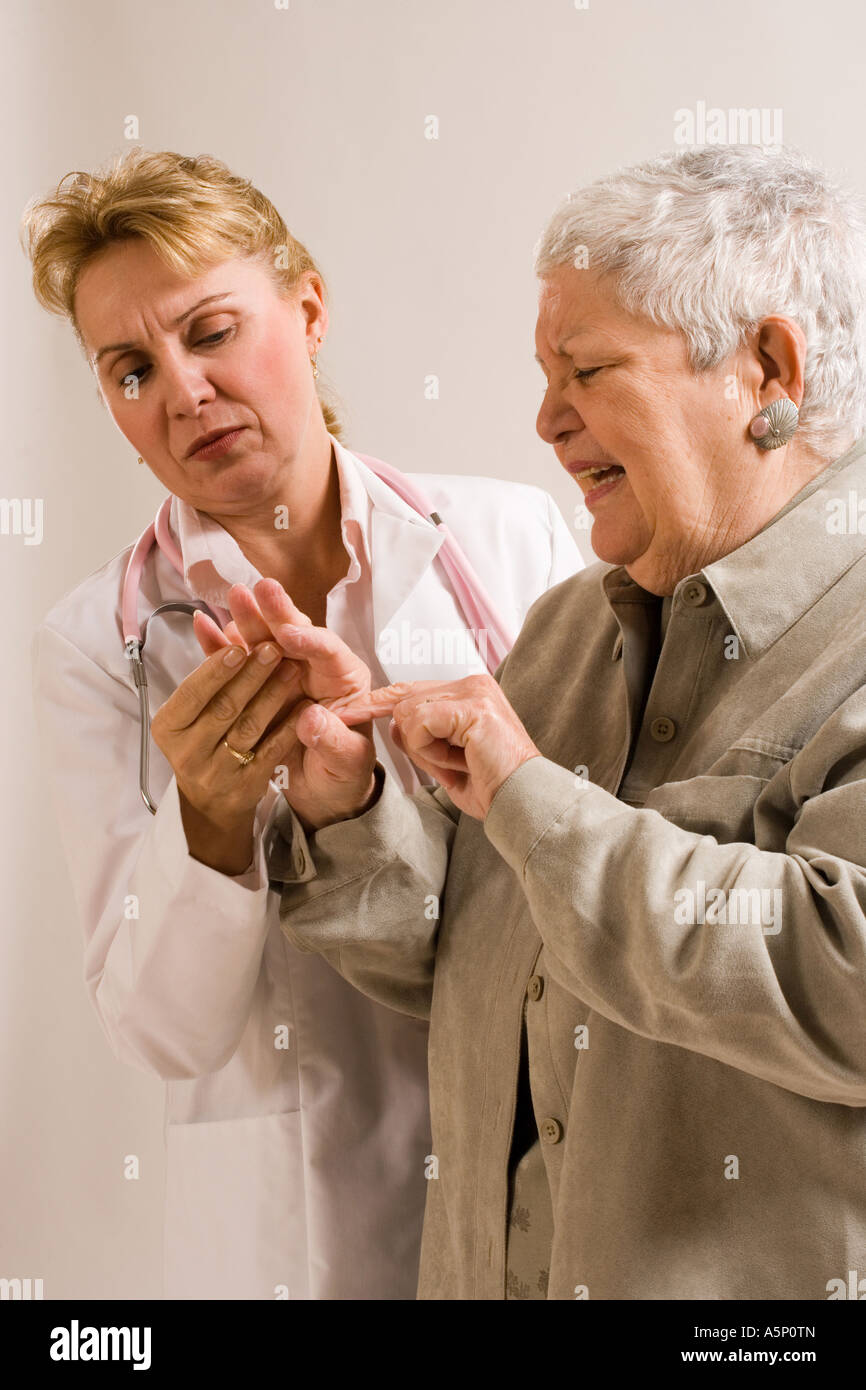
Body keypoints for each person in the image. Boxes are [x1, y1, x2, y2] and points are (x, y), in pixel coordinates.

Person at [266, 143, 866, 1299]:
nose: (545, 418)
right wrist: (352, 803)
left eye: (587, 368)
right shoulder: (561, 636)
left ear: (765, 367)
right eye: (545, 374)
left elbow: (845, 982)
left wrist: (532, 802)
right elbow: (481, 972)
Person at [23, 147, 582, 1299]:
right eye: (129, 369)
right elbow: (161, 1033)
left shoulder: (511, 542)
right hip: (295, 1220)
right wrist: (212, 818)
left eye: (211, 332)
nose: (180, 393)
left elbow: (588, 879)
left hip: (537, 1177)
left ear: (309, 306)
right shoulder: (95, 646)